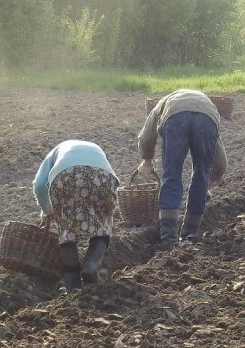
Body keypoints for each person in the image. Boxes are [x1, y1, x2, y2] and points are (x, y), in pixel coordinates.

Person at [137, 89, 227, 250]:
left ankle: (169, 239)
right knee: (201, 175)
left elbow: (147, 135)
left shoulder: (164, 102)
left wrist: (147, 160)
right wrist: (209, 181)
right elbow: (220, 160)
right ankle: (189, 235)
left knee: (171, 175)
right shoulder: (208, 107)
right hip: (207, 121)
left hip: (175, 118)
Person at [33, 141, 120, 293]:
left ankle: (72, 288)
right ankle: (91, 267)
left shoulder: (55, 152)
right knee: (102, 224)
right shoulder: (95, 148)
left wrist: (47, 211)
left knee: (67, 231)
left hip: (65, 175)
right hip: (102, 176)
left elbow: (40, 185)